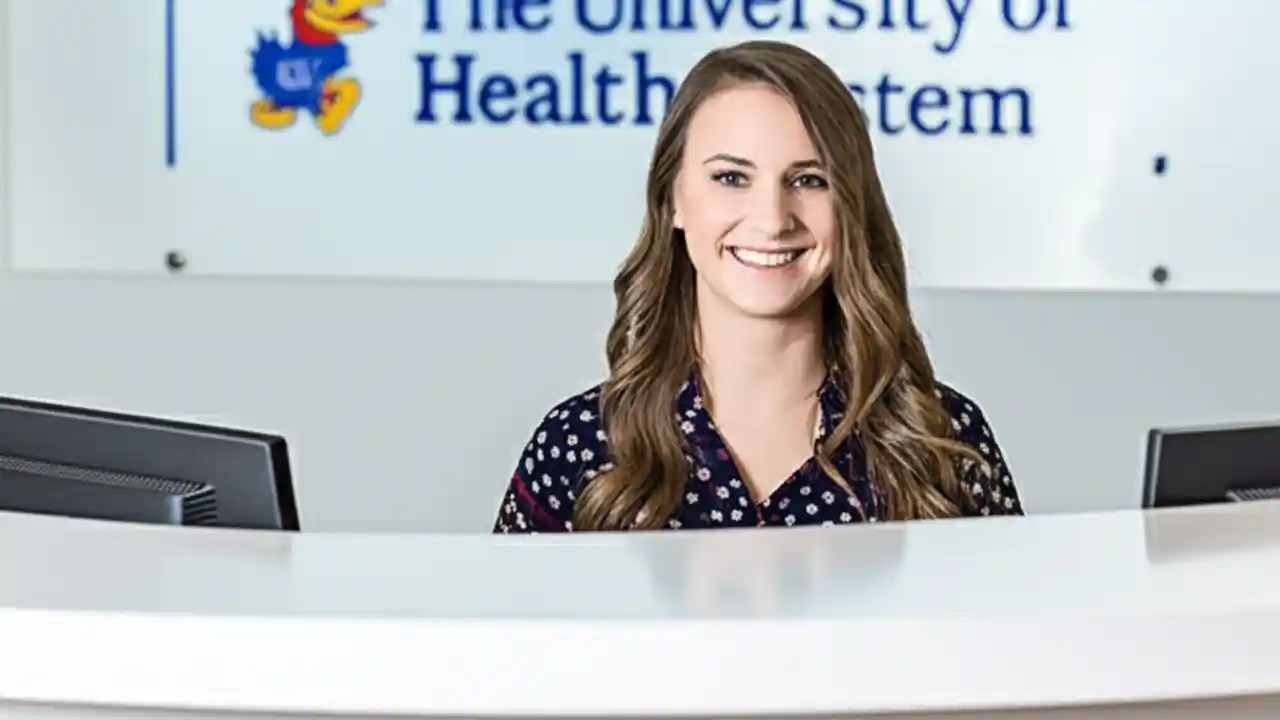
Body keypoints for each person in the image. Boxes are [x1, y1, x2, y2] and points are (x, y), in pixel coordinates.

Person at [493, 40, 1023, 533]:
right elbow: (503, 633)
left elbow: (1009, 633)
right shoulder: (579, 445)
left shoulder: (943, 442)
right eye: (731, 177)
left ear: (851, 206)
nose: (772, 219)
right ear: (672, 198)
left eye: (810, 180)